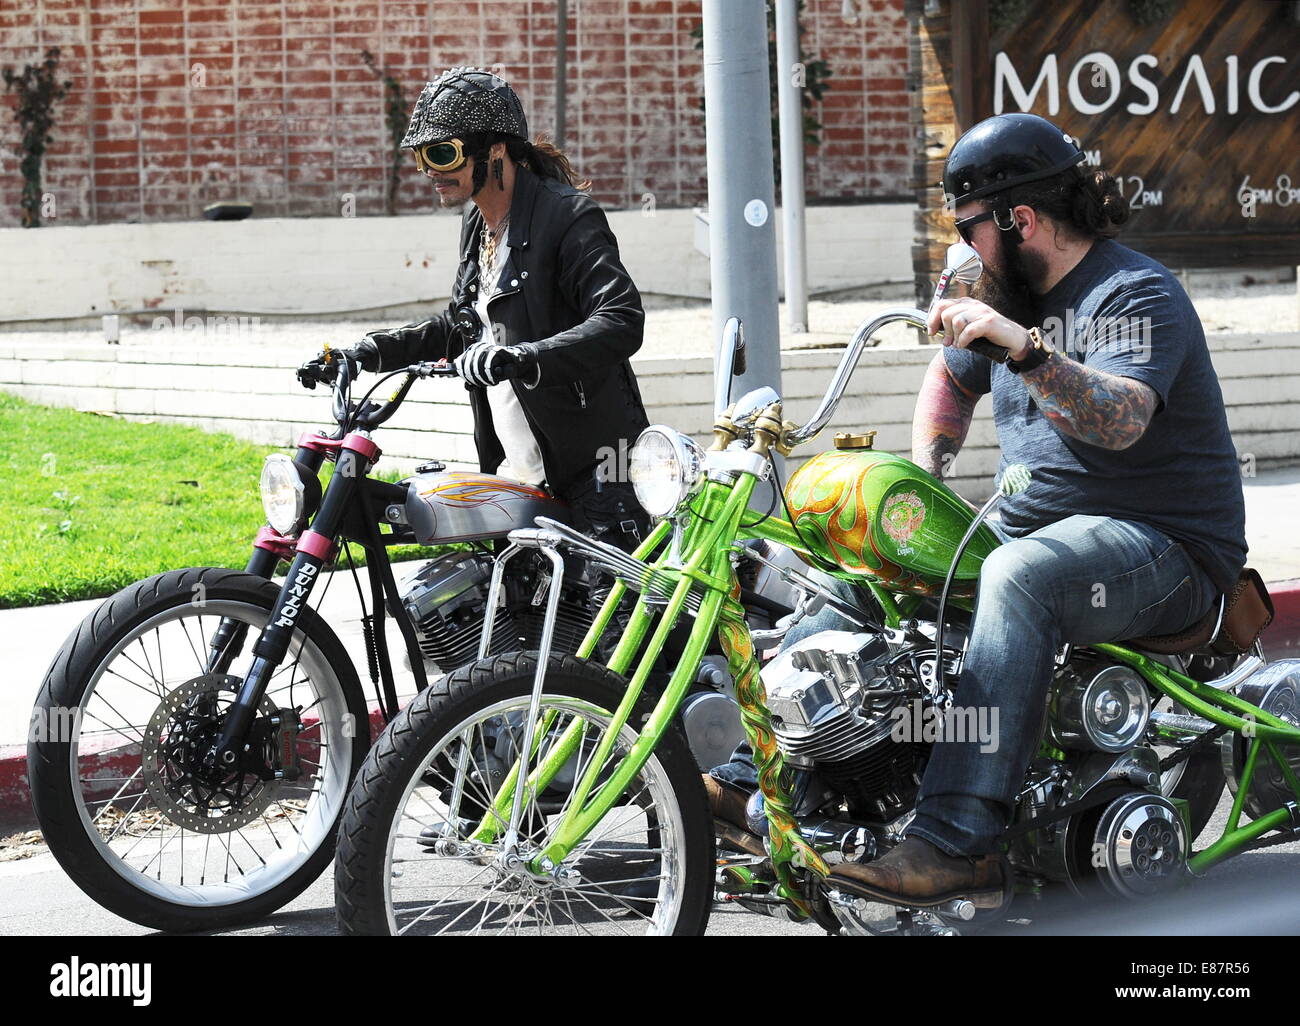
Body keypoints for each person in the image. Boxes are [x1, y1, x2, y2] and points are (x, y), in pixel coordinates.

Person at [820, 111, 1247, 907]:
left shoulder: (1132, 291)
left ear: (1021, 219)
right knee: (862, 561)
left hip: (1168, 548)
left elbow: (1120, 421)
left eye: (970, 226)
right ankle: (759, 789)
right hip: (1044, 535)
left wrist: (1026, 348)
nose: (964, 246)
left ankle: (955, 842)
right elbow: (950, 378)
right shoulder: (1008, 289)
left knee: (1018, 575)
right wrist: (926, 476)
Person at [298, 66, 651, 552]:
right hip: (517, 472)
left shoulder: (567, 217)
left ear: (496, 151)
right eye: (422, 157)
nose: (430, 172)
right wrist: (364, 353)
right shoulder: (479, 225)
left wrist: (525, 358)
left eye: (443, 153)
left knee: (610, 624)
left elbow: (621, 319)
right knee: (503, 618)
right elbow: (461, 326)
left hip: (596, 474)